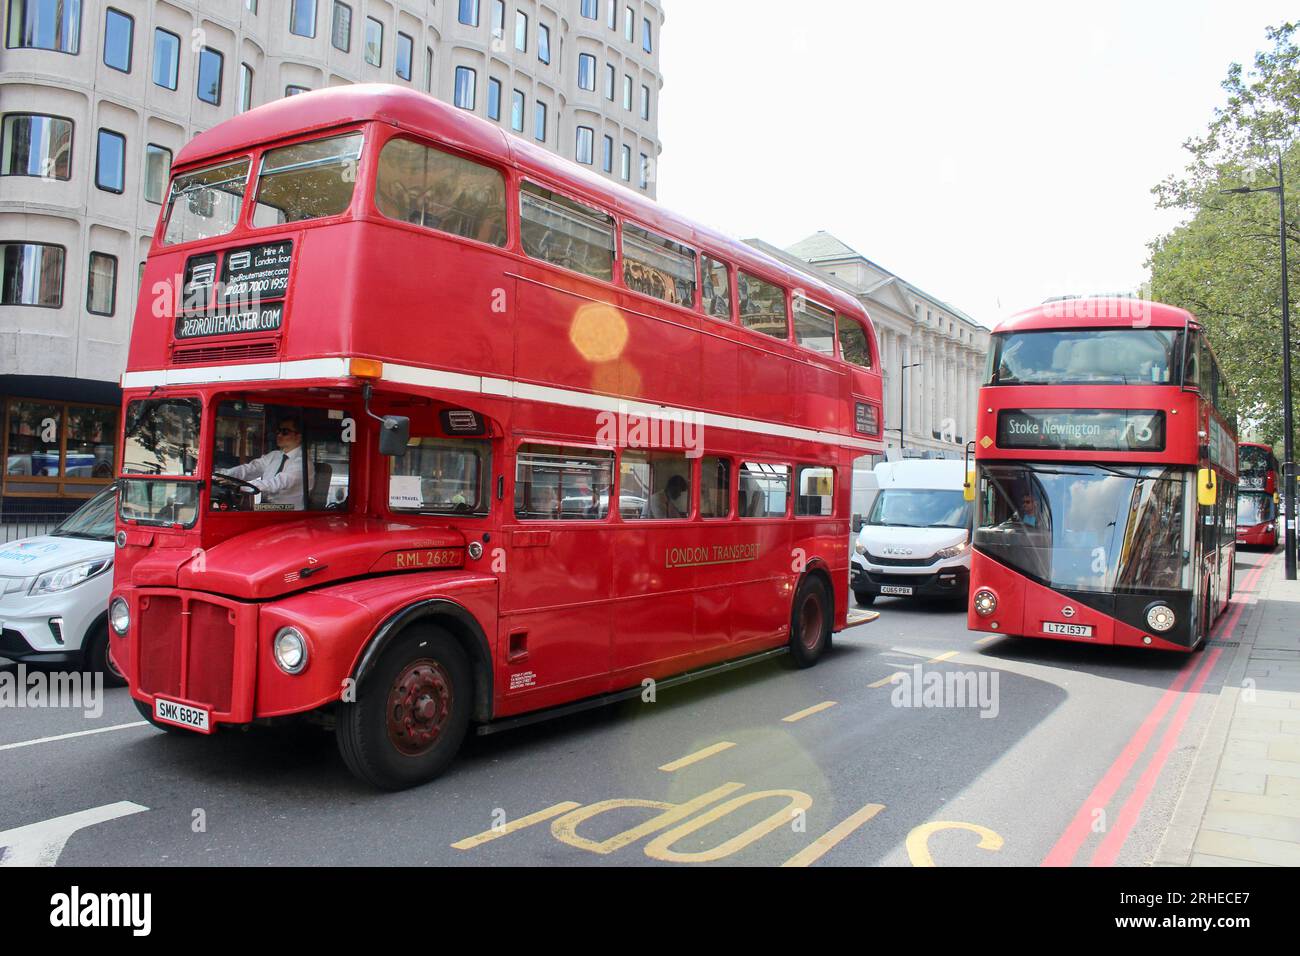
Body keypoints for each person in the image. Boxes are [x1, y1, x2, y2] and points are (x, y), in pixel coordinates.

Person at [219, 416, 310, 509]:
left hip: (289, 512)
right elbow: (250, 469)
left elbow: (276, 483)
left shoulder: (303, 463)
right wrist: (222, 475)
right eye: (278, 431)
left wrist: (238, 486)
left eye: (285, 432)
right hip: (267, 508)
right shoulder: (275, 455)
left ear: (298, 437)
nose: (279, 435)